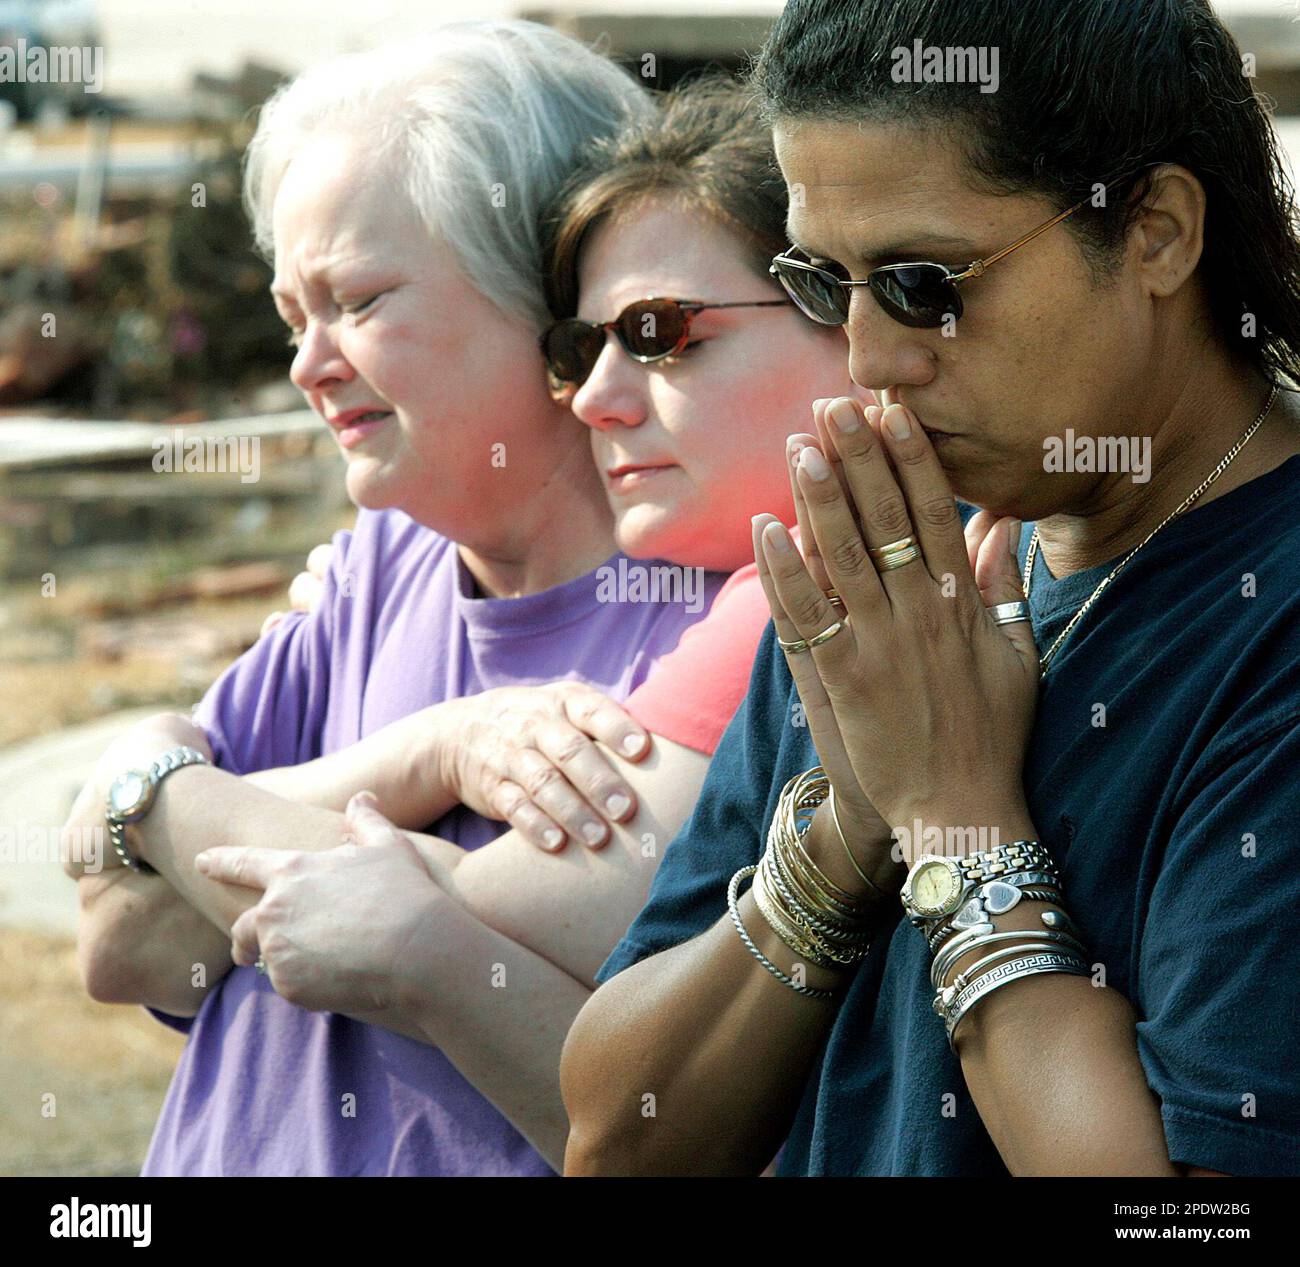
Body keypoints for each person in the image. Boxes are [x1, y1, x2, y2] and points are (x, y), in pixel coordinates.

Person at [64, 67, 862, 1174]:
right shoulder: (381, 565)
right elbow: (127, 942)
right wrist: (420, 758)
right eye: (294, 315)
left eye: (359, 302)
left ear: (530, 288)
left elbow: (663, 1130)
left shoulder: (728, 600)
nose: (307, 364)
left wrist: (150, 792)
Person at [562, 0, 1300, 1177]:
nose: (869, 358)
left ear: (1155, 231)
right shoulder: (889, 568)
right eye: (824, 282)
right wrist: (851, 829)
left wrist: (957, 817)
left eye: (924, 281)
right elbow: (615, 1142)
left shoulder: (1273, 633)